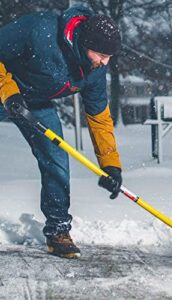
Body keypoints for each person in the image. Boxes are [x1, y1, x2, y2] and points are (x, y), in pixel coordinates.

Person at [0, 6, 123, 258]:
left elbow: (99, 117)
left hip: (36, 103)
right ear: (83, 43)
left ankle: (58, 230)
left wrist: (110, 164)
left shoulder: (95, 70)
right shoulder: (38, 30)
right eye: (100, 54)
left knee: (56, 158)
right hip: (7, 89)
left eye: (109, 57)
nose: (104, 62)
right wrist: (8, 90)